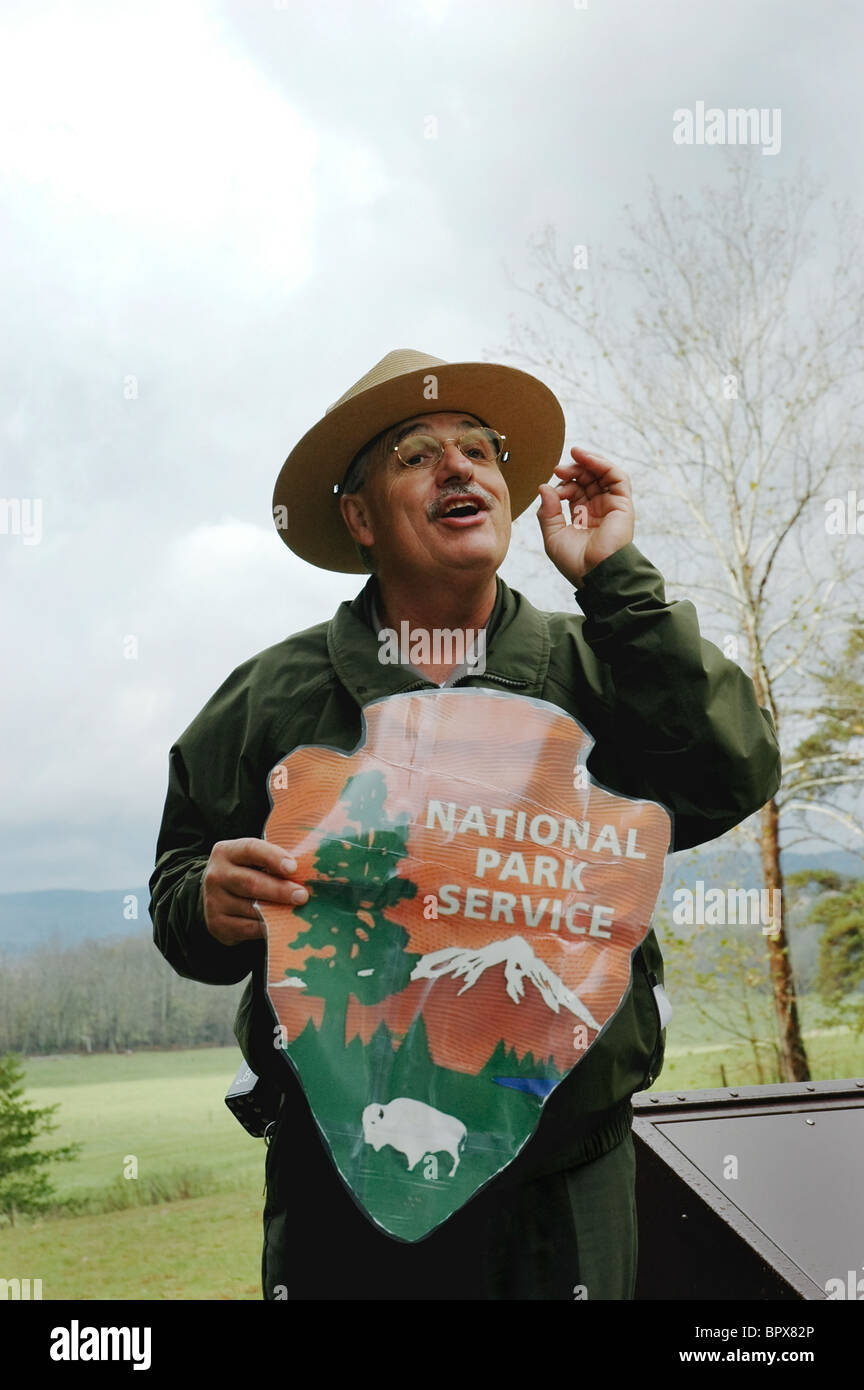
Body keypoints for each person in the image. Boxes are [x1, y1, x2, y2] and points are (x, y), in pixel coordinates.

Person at [149, 348, 781, 1301]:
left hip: (564, 1194)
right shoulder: (269, 697)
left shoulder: (603, 664)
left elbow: (731, 771)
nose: (460, 468)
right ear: (359, 518)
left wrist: (616, 582)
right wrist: (208, 903)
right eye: (415, 455)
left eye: (479, 452)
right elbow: (177, 889)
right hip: (341, 1196)